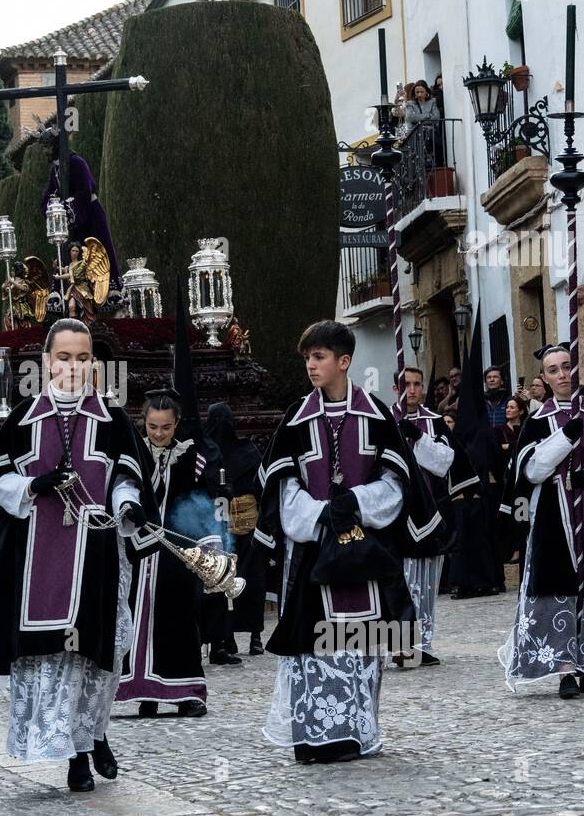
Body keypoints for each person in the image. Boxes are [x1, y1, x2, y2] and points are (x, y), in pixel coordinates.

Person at [0, 318, 156, 792]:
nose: (72, 366)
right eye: (63, 357)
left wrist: (126, 503)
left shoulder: (113, 419)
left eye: (82, 358)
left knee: (95, 655)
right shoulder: (23, 418)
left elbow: (126, 477)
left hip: (96, 552)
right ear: (45, 361)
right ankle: (75, 751)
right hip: (37, 559)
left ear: (94, 363)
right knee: (55, 655)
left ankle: (91, 737)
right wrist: (33, 485)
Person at [254, 321, 418, 764]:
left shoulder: (378, 415)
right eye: (307, 356)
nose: (311, 364)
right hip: (310, 550)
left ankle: (351, 734)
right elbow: (281, 486)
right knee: (312, 642)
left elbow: (398, 484)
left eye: (320, 356)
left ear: (344, 361)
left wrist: (355, 504)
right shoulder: (295, 418)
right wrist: (320, 513)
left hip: (363, 550)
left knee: (360, 640)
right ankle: (311, 736)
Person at [497, 346, 584, 698]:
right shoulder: (539, 420)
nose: (561, 375)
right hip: (553, 518)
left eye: (566, 367)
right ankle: (565, 672)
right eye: (553, 370)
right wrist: (564, 438)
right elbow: (530, 469)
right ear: (544, 378)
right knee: (558, 590)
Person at [115, 390, 212, 719]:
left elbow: (199, 500)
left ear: (176, 425)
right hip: (139, 547)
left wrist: (206, 547)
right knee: (135, 616)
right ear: (144, 423)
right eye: (153, 427)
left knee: (179, 618)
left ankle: (186, 693)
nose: (159, 433)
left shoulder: (190, 457)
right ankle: (143, 691)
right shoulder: (132, 453)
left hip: (176, 549)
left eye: (166, 427)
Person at [391, 366, 478, 666]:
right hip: (394, 513)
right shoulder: (383, 420)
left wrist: (417, 439)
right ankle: (399, 642)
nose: (412, 390)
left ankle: (421, 643)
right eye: (406, 385)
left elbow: (445, 461)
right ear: (395, 389)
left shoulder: (434, 423)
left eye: (417, 384)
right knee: (399, 579)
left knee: (427, 580)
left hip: (429, 510)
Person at [206, 401, 268, 656]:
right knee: (223, 581)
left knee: (251, 580)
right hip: (220, 525)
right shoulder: (208, 454)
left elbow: (261, 486)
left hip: (248, 524)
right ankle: (226, 635)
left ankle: (252, 635)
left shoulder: (247, 451)